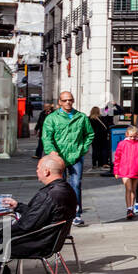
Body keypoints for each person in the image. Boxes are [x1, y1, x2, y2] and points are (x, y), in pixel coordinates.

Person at [41, 91, 94, 226]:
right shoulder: (52, 118)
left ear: (73, 101)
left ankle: (76, 213)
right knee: (58, 186)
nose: (67, 102)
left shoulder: (81, 117)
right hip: (58, 157)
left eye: (70, 100)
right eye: (64, 100)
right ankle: (60, 214)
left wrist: (82, 149)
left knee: (76, 184)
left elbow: (89, 134)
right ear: (59, 102)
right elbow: (46, 137)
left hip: (76, 156)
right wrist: (52, 152)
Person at [113, 124, 138, 221]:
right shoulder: (122, 144)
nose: (132, 138)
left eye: (134, 136)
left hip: (136, 170)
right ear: (127, 134)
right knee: (128, 188)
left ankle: (131, 208)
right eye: (130, 136)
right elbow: (117, 158)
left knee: (133, 189)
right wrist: (116, 171)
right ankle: (129, 209)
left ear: (137, 135)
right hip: (125, 170)